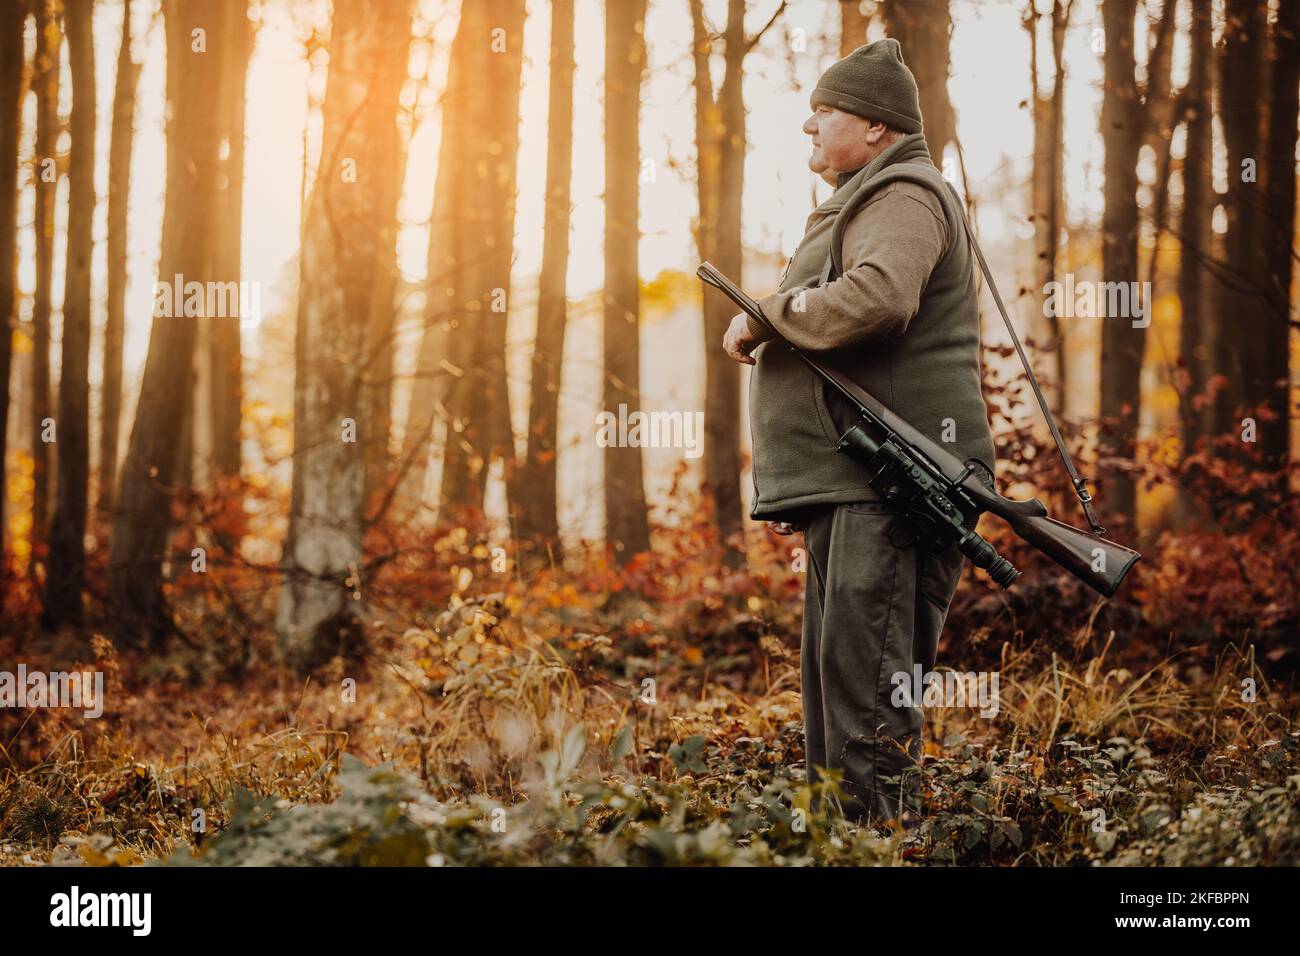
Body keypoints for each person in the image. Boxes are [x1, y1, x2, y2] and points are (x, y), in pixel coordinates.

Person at [721, 37, 996, 825]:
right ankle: (845, 844)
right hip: (861, 488)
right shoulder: (871, 194)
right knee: (841, 697)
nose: (808, 127)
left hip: (894, 493)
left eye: (825, 114)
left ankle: (876, 849)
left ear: (876, 128)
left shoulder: (905, 192)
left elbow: (878, 298)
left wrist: (768, 315)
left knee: (869, 703)